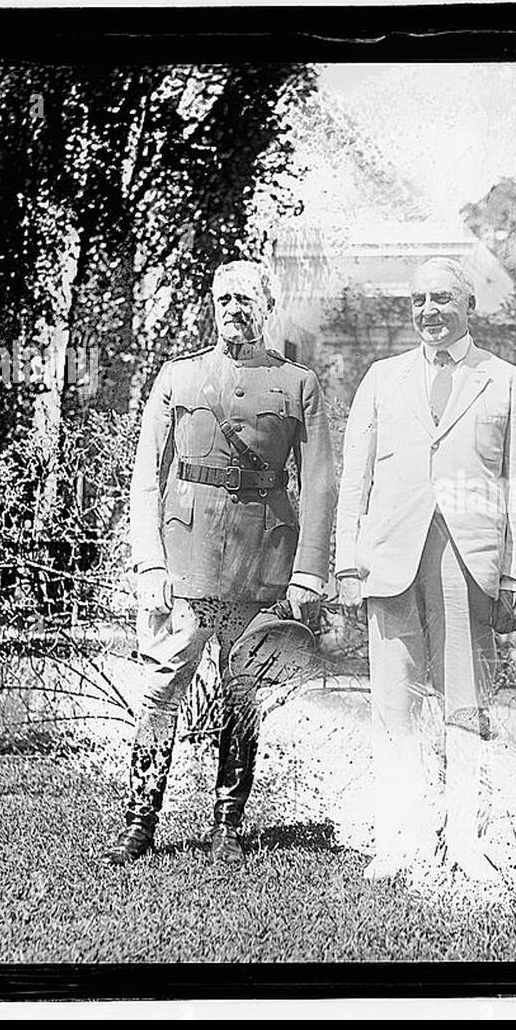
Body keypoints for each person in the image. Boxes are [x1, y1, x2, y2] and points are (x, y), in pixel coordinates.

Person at [102, 260, 336, 866]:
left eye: (248, 299)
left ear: (269, 306)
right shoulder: (179, 379)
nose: (235, 308)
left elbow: (319, 485)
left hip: (262, 567)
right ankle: (139, 821)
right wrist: (149, 563)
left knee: (244, 693)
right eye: (225, 298)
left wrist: (310, 570)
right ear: (213, 303)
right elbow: (146, 480)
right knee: (160, 691)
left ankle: (228, 823)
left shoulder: (297, 385)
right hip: (187, 563)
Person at [334, 257, 516, 887]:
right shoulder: (380, 379)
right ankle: (398, 838)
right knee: (393, 703)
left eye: (443, 298)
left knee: (465, 702)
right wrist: (348, 563)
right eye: (419, 299)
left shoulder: (506, 382)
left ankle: (465, 839)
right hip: (391, 558)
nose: (429, 310)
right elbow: (356, 479)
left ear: (469, 307)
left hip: (468, 559)